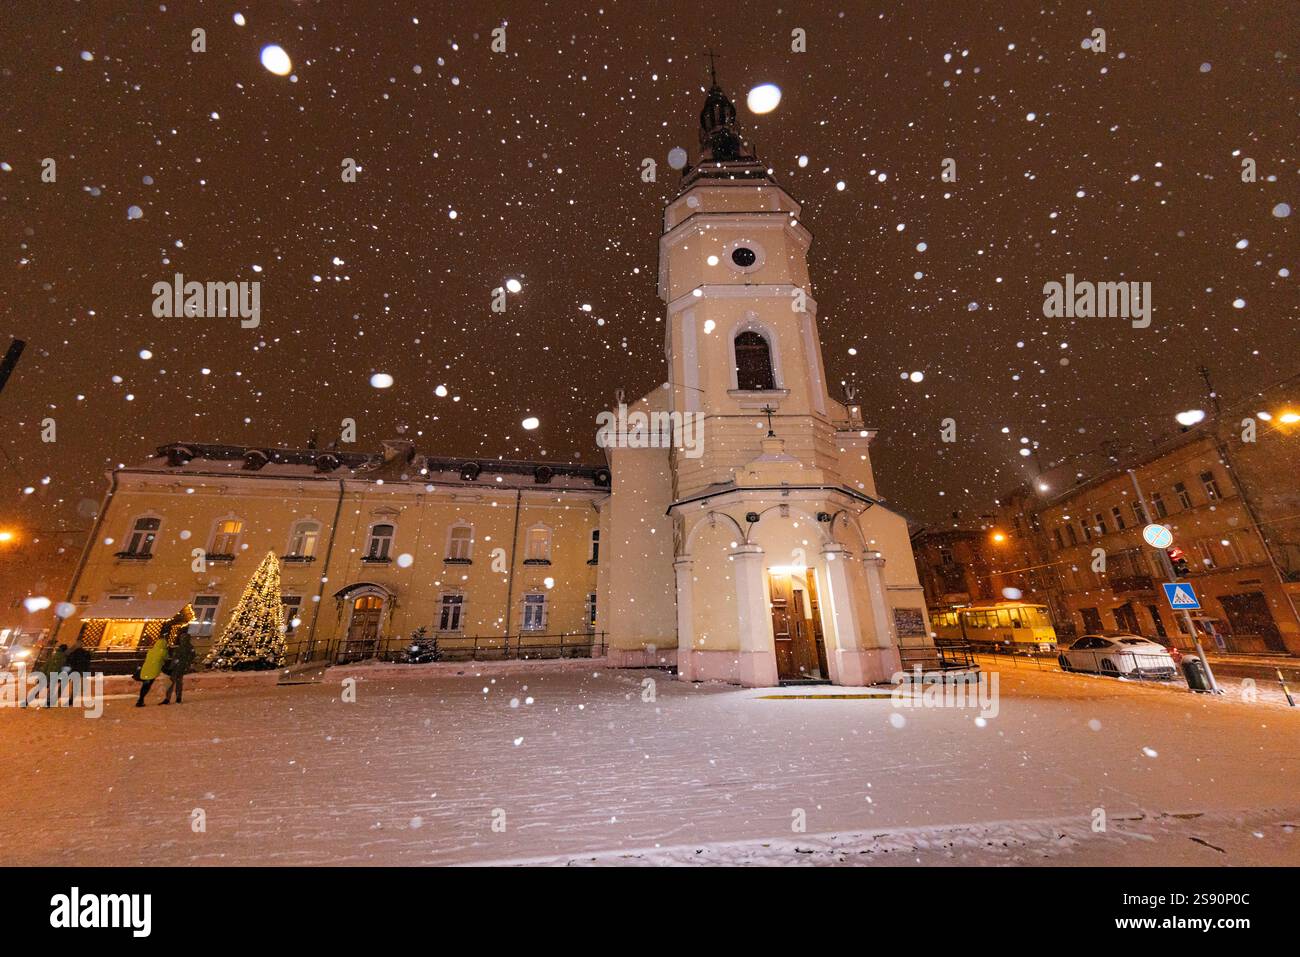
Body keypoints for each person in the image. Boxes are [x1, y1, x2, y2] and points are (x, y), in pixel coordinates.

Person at [25, 643, 68, 708]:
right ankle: (47, 704)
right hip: (55, 676)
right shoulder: (64, 658)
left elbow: (45, 666)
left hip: (47, 675)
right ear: (65, 650)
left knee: (38, 689)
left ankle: (26, 702)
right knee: (51, 690)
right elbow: (63, 669)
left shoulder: (53, 656)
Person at [135, 632, 171, 707]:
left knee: (144, 685)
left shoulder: (151, 651)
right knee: (147, 686)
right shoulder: (163, 652)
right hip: (153, 671)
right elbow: (166, 658)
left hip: (145, 669)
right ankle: (140, 700)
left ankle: (140, 699)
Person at [162, 629, 195, 704]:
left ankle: (168, 698)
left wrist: (171, 667)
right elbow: (192, 656)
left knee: (171, 683)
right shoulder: (190, 647)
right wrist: (187, 665)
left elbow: (176, 658)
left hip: (177, 667)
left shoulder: (181, 648)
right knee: (179, 683)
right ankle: (178, 698)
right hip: (182, 667)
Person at [63, 639, 93, 707]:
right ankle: (71, 699)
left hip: (73, 670)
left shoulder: (74, 652)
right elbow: (87, 663)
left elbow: (67, 657)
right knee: (75, 685)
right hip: (79, 670)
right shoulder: (85, 653)